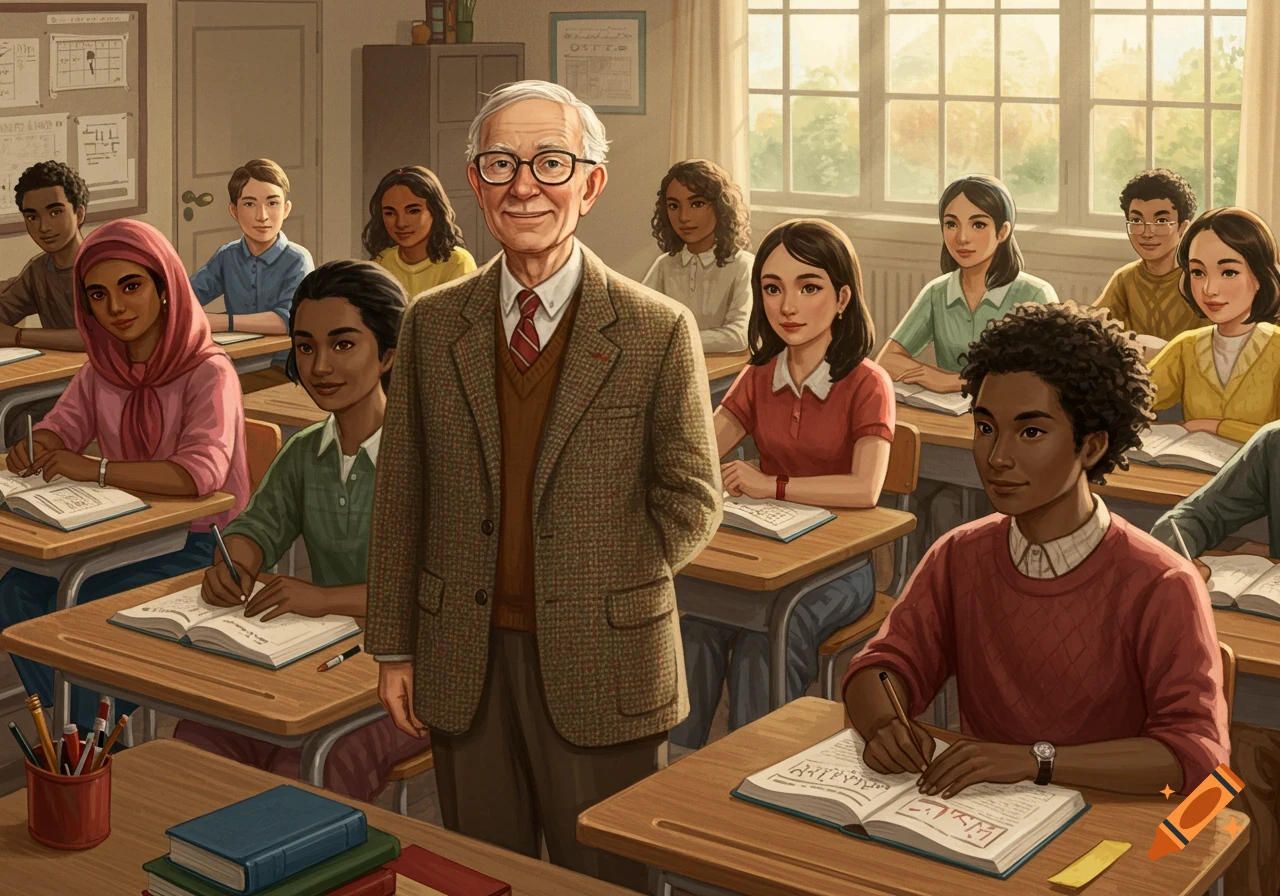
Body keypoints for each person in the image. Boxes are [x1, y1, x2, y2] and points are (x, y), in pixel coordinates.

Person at [365, 80, 720, 891]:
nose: (525, 185)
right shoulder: (432, 323)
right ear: (475, 182)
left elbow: (693, 498)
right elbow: (403, 497)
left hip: (607, 654)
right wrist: (393, 645)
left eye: (551, 162)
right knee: (481, 873)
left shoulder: (655, 328)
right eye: (501, 163)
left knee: (607, 877)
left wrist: (599, 573)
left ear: (591, 184)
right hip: (463, 654)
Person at [843, 302, 1228, 807]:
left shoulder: (1162, 583)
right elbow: (882, 665)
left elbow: (1199, 760)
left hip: (1109, 832)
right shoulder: (960, 555)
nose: (998, 457)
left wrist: (1036, 761)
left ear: (1091, 446)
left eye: (1031, 432)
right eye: (985, 427)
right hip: (987, 819)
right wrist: (885, 722)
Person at [172, 260, 428, 801]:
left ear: (389, 354)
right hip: (321, 654)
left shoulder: (429, 454)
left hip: (419, 670)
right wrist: (235, 561)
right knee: (198, 739)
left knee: (316, 762)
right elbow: (260, 523)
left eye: (342, 345)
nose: (319, 367)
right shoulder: (307, 450)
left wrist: (324, 599)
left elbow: (440, 592)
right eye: (305, 346)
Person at [0, 219, 251, 736]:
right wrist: (40, 443)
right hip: (124, 538)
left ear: (165, 288)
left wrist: (95, 469)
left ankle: (87, 746)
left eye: (130, 286)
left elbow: (199, 475)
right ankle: (82, 735)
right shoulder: (101, 368)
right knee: (16, 597)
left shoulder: (210, 371)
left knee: (88, 611)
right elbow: (62, 425)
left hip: (201, 545)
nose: (115, 307)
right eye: (98, 294)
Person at [671, 218, 890, 751]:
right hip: (765, 553)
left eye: (808, 287)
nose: (787, 306)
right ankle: (676, 767)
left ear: (842, 297)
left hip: (839, 566)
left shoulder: (866, 381)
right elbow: (699, 450)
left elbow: (866, 489)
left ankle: (752, 763)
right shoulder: (759, 372)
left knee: (765, 637)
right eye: (773, 288)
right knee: (695, 621)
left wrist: (773, 486)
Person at [876, 175, 1059, 565]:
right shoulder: (938, 292)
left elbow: (1038, 381)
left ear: (1003, 231)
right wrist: (931, 378)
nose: (962, 237)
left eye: (978, 224)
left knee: (954, 507)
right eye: (951, 223)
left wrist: (953, 380)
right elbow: (886, 361)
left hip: (1010, 437)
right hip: (947, 425)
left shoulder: (1033, 294)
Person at [1151, 425, 1280, 896]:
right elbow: (1182, 521)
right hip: (1267, 663)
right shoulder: (1276, 444)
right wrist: (1188, 563)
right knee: (1235, 755)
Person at [1147, 207, 1280, 444]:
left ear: (1259, 277)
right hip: (1193, 472)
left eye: (1228, 272)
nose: (1209, 289)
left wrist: (1217, 427)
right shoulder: (1186, 346)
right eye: (1198, 272)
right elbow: (1133, 401)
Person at [190, 158, 315, 389]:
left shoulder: (297, 260)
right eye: (249, 204)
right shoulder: (227, 255)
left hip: (283, 365)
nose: (262, 216)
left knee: (215, 391)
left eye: (272, 203)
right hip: (235, 360)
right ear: (234, 211)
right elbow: (188, 296)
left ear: (286, 208)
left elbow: (286, 320)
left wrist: (218, 321)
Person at [642, 159, 753, 353]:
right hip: (674, 369)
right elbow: (638, 321)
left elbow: (740, 335)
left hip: (725, 375)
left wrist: (674, 339)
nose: (684, 217)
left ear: (721, 206)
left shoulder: (742, 265)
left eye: (697, 204)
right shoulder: (665, 265)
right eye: (674, 206)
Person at [1094, 168, 1202, 355]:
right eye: (1136, 220)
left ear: (1183, 227)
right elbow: (1093, 329)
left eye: (1161, 221)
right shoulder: (1125, 279)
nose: (1147, 232)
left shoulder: (1199, 278)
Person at [363, 165, 476, 300]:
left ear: (435, 211)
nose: (401, 223)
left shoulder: (458, 263)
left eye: (413, 211)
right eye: (390, 213)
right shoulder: (382, 262)